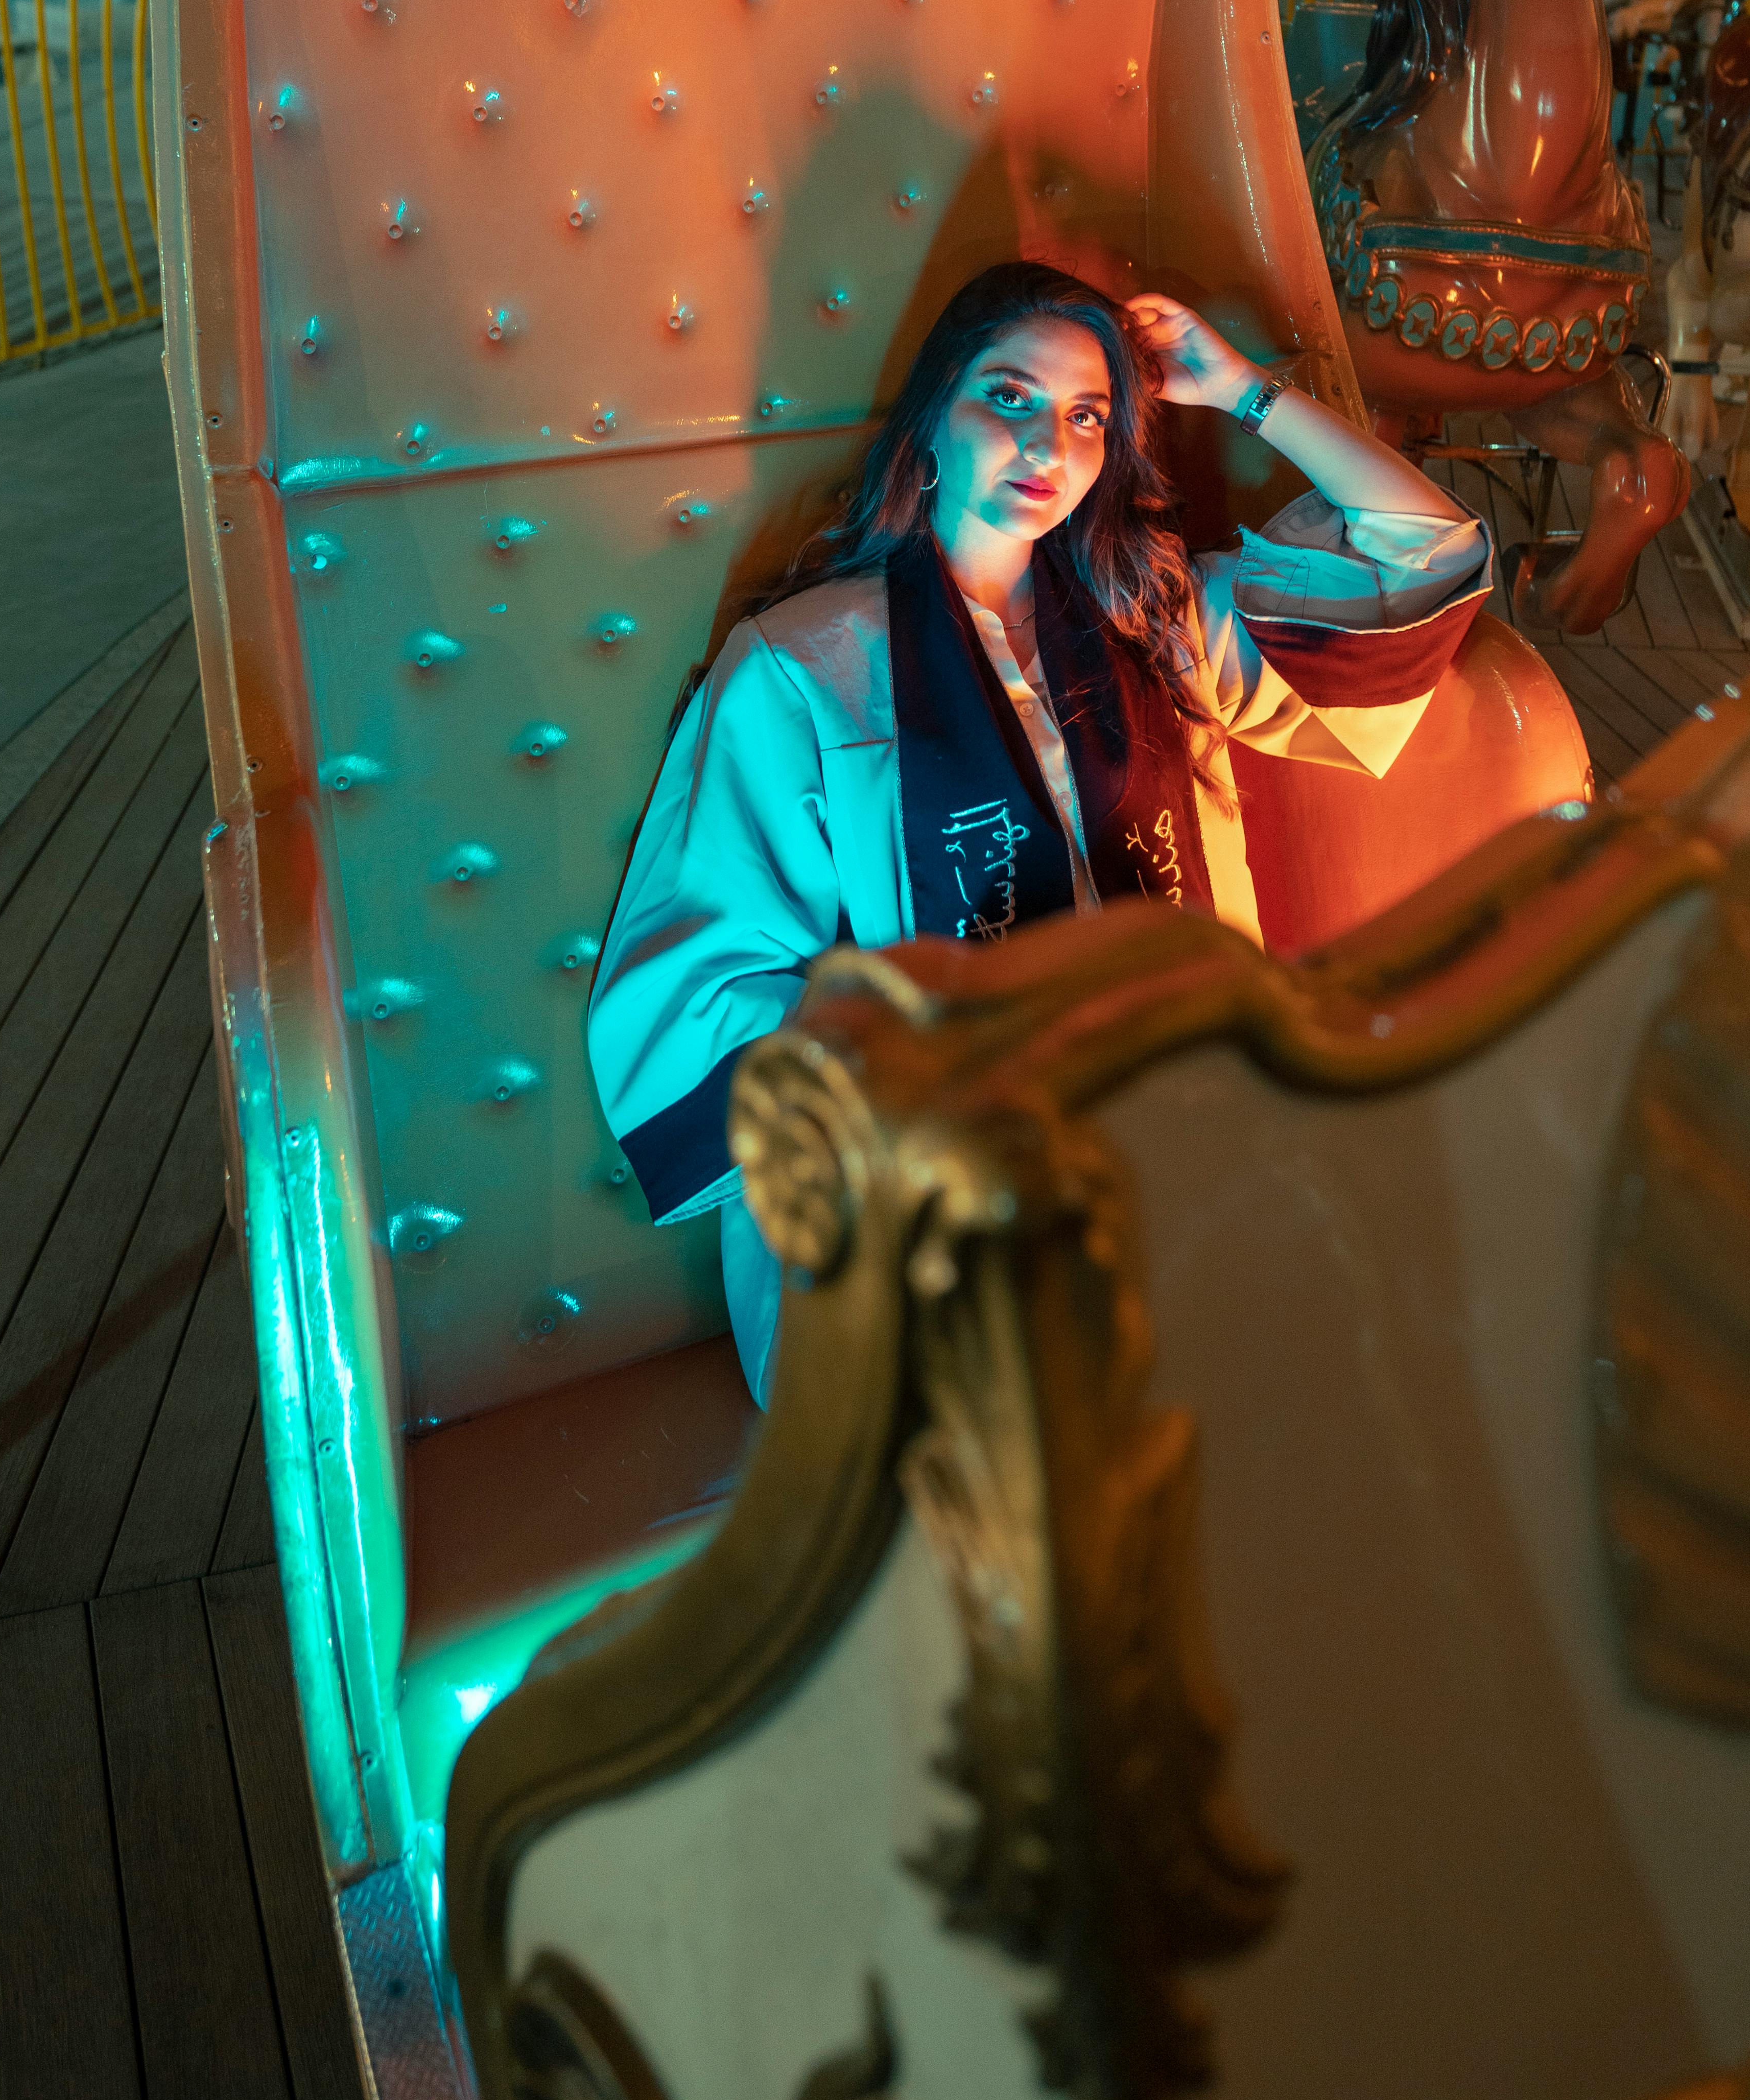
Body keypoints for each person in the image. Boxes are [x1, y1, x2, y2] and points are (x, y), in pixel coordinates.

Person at [587, 259, 1495, 1393]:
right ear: (932, 420)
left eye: (1087, 416)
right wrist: (949, 1090)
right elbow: (698, 986)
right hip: (935, 1212)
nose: (1047, 447)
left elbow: (1428, 552)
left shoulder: (1153, 625)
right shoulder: (804, 671)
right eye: (1007, 397)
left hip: (1183, 1147)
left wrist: (1249, 392)